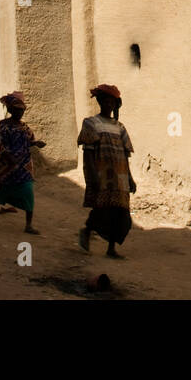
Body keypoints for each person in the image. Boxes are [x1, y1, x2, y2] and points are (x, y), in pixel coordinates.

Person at [77, 84, 135, 258]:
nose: (109, 104)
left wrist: (130, 178)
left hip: (121, 178)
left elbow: (125, 155)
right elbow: (87, 152)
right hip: (102, 176)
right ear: (100, 102)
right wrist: (92, 175)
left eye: (112, 102)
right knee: (102, 211)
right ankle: (87, 231)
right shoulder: (91, 123)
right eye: (106, 101)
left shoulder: (120, 127)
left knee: (121, 215)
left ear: (116, 105)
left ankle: (111, 248)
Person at [0, 92, 44, 234]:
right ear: (10, 110)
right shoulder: (4, 125)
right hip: (9, 165)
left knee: (28, 191)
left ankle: (28, 225)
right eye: (17, 110)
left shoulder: (24, 127)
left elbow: (30, 141)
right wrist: (8, 156)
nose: (20, 113)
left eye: (22, 110)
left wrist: (36, 143)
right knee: (4, 191)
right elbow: (0, 142)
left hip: (24, 166)